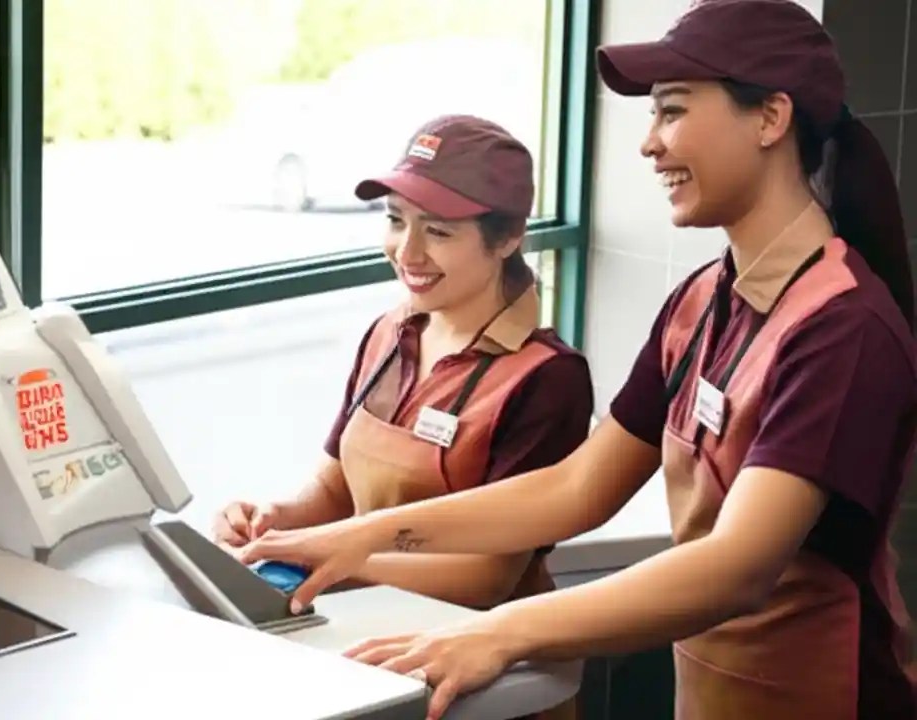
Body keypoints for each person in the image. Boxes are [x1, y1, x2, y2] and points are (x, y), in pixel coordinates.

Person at [239, 2, 917, 719]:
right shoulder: (702, 300)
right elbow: (578, 487)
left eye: (673, 112)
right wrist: (358, 536)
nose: (649, 145)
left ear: (770, 118)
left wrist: (500, 631)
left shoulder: (843, 330)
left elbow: (736, 569)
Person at [215, 114, 592, 651]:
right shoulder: (390, 334)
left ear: (508, 238)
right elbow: (334, 488)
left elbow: (488, 577)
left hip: (482, 665)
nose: (407, 252)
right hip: (364, 636)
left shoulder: (546, 377)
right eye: (396, 220)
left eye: (438, 231)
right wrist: (274, 524)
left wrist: (343, 558)